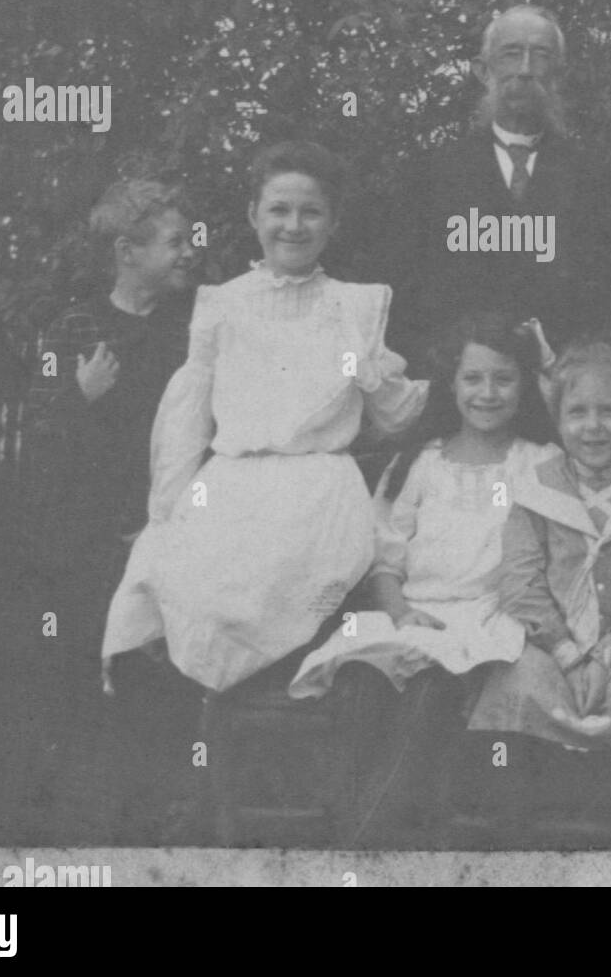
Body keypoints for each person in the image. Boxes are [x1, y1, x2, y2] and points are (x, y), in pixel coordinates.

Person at [100, 141, 428, 693]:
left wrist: (372, 368)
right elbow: (187, 421)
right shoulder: (222, 305)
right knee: (171, 572)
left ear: (333, 222)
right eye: (278, 210)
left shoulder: (356, 305)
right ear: (254, 216)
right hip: (231, 487)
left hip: (320, 492)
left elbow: (395, 419)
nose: (293, 226)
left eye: (311, 211)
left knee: (282, 586)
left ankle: (285, 709)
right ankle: (206, 724)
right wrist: (168, 510)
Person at [287, 311, 558, 845]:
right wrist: (400, 613)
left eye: (504, 379)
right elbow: (386, 558)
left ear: (525, 386)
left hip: (484, 623)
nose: (487, 393)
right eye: (473, 378)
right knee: (362, 681)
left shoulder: (539, 463)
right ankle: (355, 838)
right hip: (411, 613)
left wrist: (549, 359)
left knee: (428, 691)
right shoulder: (420, 462)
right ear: (451, 383)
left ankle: (354, 854)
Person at [22, 177, 197, 841]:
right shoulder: (74, 328)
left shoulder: (190, 332)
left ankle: (154, 815)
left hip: (170, 533)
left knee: (157, 677)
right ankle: (73, 818)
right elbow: (35, 436)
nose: (189, 253)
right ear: (129, 251)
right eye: (175, 242)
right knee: (83, 670)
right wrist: (80, 396)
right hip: (88, 538)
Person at [468, 341, 611, 840]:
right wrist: (566, 650)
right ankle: (516, 825)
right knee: (518, 682)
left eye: (610, 412)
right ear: (558, 421)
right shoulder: (536, 488)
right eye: (578, 413)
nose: (593, 427)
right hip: (552, 639)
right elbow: (521, 582)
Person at [379, 5, 611, 366]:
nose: (525, 70)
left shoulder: (594, 179)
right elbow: (405, 293)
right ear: (483, 70)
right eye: (511, 54)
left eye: (541, 56)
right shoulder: (432, 174)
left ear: (559, 73)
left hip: (561, 383)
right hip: (463, 383)